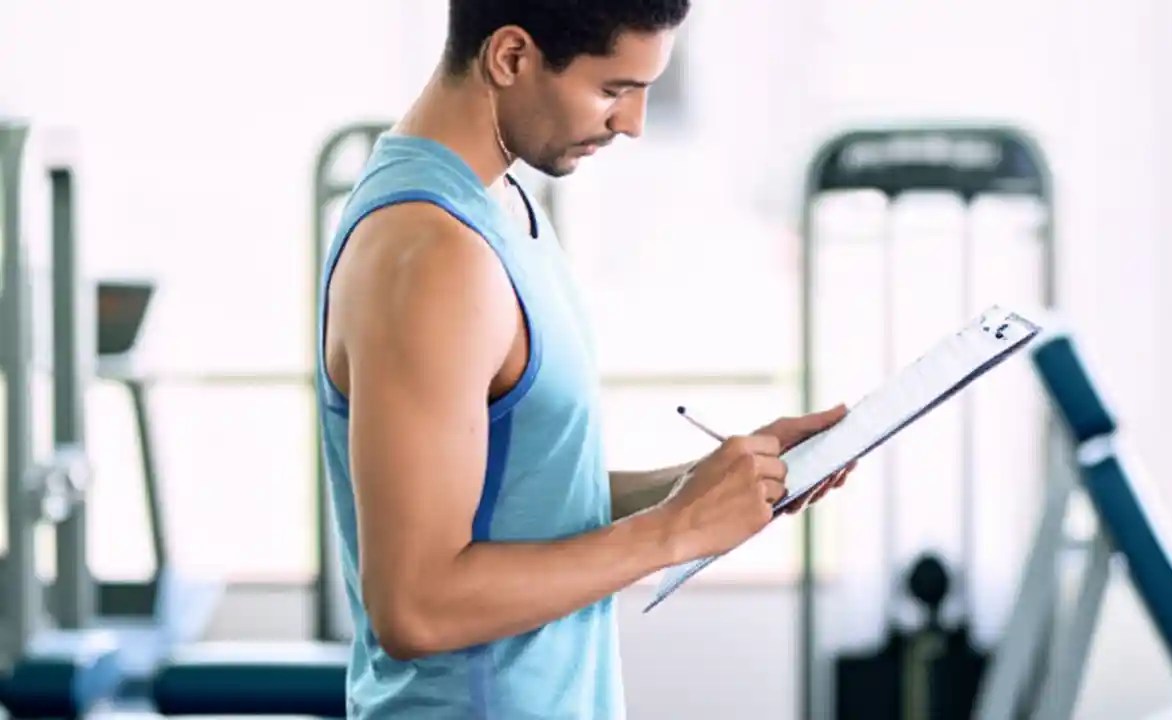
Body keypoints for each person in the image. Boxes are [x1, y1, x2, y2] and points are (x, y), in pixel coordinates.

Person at [315, 1, 854, 717]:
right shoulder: (433, 253)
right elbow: (417, 607)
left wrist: (708, 485)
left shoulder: (498, 202)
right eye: (613, 89)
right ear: (510, 57)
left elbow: (521, 494)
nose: (631, 124)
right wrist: (675, 531)